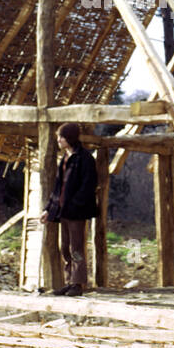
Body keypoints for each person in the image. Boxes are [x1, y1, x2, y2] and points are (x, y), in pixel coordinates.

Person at [44, 122, 98, 296]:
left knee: (76, 249)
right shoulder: (65, 159)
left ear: (70, 138)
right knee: (65, 247)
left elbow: (88, 185)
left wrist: (75, 204)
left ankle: (78, 283)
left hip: (76, 211)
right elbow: (58, 186)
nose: (59, 140)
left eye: (62, 136)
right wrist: (48, 209)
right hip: (63, 211)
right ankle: (69, 281)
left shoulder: (85, 158)